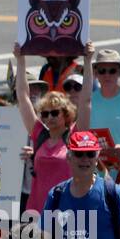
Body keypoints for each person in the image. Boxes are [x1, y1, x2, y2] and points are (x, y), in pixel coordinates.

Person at [15, 40, 93, 215]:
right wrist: (20, 59)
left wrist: (88, 61)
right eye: (45, 113)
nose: (49, 117)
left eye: (55, 113)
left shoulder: (74, 135)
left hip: (68, 213)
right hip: (37, 211)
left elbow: (86, 101)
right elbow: (23, 97)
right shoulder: (39, 134)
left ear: (65, 114)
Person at [89, 49, 120, 157]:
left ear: (119, 72)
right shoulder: (89, 101)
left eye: (112, 71)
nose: (107, 75)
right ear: (95, 73)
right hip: (96, 167)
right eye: (102, 71)